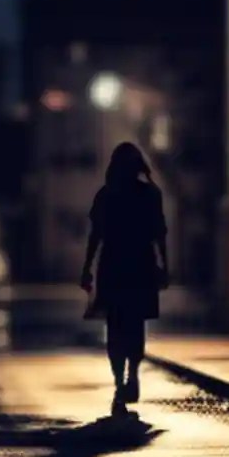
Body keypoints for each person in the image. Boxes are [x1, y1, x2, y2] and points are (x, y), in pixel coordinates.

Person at [80, 142, 168, 413]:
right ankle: (131, 374)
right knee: (135, 325)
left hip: (114, 266)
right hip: (140, 264)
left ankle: (121, 380)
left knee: (116, 326)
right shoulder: (150, 194)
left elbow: (96, 235)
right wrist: (165, 265)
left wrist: (87, 269)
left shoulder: (106, 195)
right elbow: (159, 234)